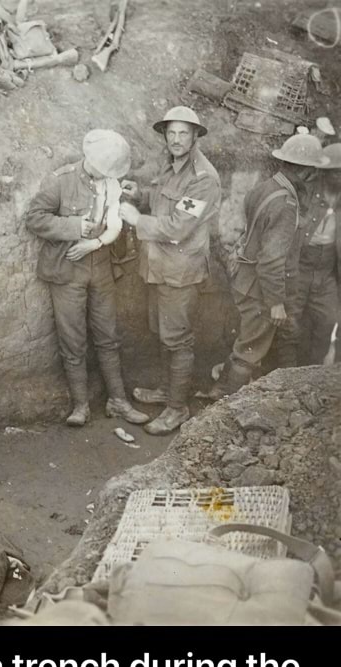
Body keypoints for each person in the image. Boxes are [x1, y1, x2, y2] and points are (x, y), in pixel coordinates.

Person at [25, 129, 149, 428]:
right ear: (89, 158)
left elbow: (116, 221)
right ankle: (80, 405)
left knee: (108, 336)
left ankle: (118, 400)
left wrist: (94, 242)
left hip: (101, 265)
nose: (105, 174)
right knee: (73, 340)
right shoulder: (61, 180)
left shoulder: (112, 183)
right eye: (102, 168)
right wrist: (75, 227)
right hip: (67, 269)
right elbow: (35, 218)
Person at [120, 106, 221, 435]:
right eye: (171, 133)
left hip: (180, 272)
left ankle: (177, 408)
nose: (176, 139)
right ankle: (167, 391)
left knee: (177, 340)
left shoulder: (203, 179)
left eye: (183, 133)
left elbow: (179, 227)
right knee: (163, 333)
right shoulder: (171, 164)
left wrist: (138, 219)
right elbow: (164, 198)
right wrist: (141, 195)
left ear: (195, 136)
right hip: (158, 267)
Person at [206, 134, 328, 400]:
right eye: (313, 171)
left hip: (246, 280)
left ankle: (222, 390)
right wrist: (276, 303)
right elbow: (272, 259)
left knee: (249, 342)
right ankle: (224, 404)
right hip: (261, 289)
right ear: (306, 171)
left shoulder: (266, 187)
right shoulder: (286, 204)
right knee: (250, 351)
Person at [277, 141, 341, 366]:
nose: (339, 178)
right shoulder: (306, 192)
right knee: (291, 323)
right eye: (335, 173)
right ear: (323, 172)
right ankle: (286, 374)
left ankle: (312, 373)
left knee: (327, 321)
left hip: (327, 272)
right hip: (300, 267)